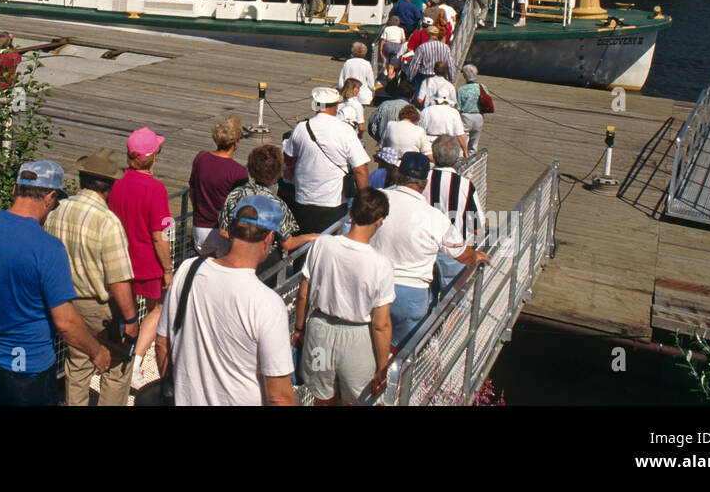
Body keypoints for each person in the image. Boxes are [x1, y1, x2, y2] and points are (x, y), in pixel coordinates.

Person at [0, 161, 111, 405]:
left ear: (16, 190)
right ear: (50, 197)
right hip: (27, 367)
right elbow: (65, 322)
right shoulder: (48, 248)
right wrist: (96, 351)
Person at [155, 197, 297, 406]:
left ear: (230, 230)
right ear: (268, 238)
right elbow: (279, 397)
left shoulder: (187, 270)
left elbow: (161, 344)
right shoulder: (268, 304)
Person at [44, 148, 139, 406]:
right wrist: (130, 318)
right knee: (117, 367)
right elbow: (118, 279)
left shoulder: (56, 209)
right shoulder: (107, 221)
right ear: (109, 186)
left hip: (64, 302)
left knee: (77, 364)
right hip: (99, 307)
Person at [371, 152, 489, 345]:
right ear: (424, 183)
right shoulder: (434, 217)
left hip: (371, 284)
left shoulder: (376, 200)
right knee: (402, 353)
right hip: (409, 296)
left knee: (370, 344)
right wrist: (476, 255)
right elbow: (463, 255)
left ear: (398, 175)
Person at [292, 188, 395, 405]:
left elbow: (303, 294)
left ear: (351, 214)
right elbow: (381, 325)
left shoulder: (322, 244)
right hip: (356, 341)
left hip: (319, 333)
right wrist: (382, 367)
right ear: (379, 221)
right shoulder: (381, 264)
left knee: (321, 394)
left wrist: (299, 329)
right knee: (354, 399)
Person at [108, 126, 174, 387]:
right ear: (153, 156)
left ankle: (119, 355)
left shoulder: (116, 181)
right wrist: (168, 268)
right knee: (157, 308)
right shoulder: (156, 189)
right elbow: (160, 235)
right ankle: (135, 361)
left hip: (120, 259)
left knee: (126, 310)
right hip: (147, 263)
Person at [283, 87, 371, 233]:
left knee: (304, 244)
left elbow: (289, 159)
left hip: (303, 199)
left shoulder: (301, 128)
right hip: (332, 202)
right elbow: (361, 170)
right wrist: (364, 200)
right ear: (336, 105)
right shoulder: (346, 130)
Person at [216, 144, 318, 253]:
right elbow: (288, 244)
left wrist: (243, 242)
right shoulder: (277, 204)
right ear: (277, 173)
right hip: (265, 260)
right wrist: (310, 236)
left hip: (236, 254)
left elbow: (223, 231)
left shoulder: (235, 194)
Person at [426, 135, 485, 289]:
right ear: (457, 157)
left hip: (424, 249)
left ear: (434, 154)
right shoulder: (465, 185)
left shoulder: (421, 180)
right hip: (453, 251)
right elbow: (477, 227)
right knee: (454, 300)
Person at [188, 117, 247, 257]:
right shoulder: (238, 172)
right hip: (222, 233)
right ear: (235, 142)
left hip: (199, 228)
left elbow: (192, 192)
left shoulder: (200, 158)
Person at [405, 24, 455, 92]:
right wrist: (451, 80)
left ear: (428, 34)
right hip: (440, 77)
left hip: (424, 77)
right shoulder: (445, 48)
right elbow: (450, 65)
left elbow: (415, 64)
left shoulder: (423, 47)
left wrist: (409, 78)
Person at [456, 64, 486, 153]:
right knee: (474, 144)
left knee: (463, 143)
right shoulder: (482, 87)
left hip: (466, 116)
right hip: (479, 116)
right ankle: (473, 158)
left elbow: (458, 107)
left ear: (465, 75)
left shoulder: (461, 89)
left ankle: (462, 160)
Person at [338, 41, 376, 109]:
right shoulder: (367, 64)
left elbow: (340, 82)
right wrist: (373, 91)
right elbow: (371, 84)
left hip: (348, 94)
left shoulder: (348, 62)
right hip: (362, 96)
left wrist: (342, 91)